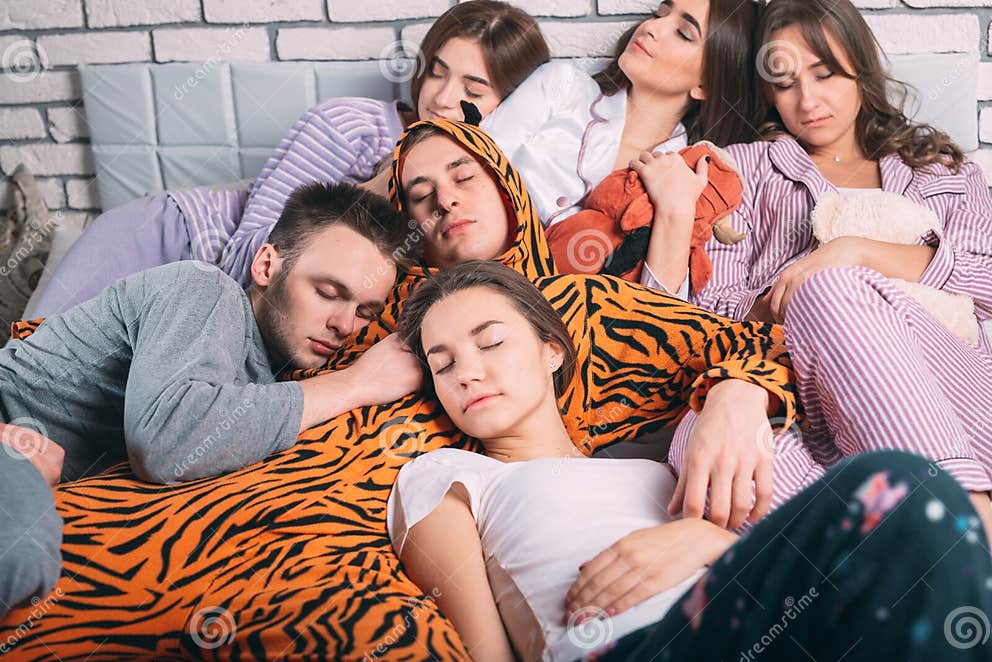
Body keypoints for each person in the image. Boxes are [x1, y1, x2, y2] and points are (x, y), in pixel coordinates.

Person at [0, 119, 797, 658]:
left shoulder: (575, 305)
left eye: (463, 173)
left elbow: (728, 341)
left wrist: (736, 396)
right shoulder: (323, 311)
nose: (444, 197)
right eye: (419, 194)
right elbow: (180, 425)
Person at [390, 260, 992, 662]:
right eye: (442, 364)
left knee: (906, 520)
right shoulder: (443, 474)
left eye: (490, 342)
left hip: (771, 625)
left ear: (553, 351)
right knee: (900, 486)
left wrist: (711, 541)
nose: (466, 370)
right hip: (640, 648)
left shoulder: (659, 461)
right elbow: (479, 649)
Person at [0, 182, 424, 619]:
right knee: (20, 562)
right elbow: (166, 444)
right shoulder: (205, 288)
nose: (344, 324)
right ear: (265, 265)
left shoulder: (271, 377)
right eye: (328, 293)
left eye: (365, 312)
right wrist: (356, 383)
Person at [651, 0, 992, 542]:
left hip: (942, 387)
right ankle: (914, 562)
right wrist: (746, 372)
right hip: (794, 396)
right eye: (784, 83)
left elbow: (985, 283)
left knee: (830, 288)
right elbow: (695, 322)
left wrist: (852, 253)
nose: (808, 100)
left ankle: (966, 522)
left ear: (859, 66)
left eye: (825, 73)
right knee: (700, 438)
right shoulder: (743, 169)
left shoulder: (942, 170)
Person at [26, 0, 550, 315]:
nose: (438, 97)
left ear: (510, 106)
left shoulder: (489, 190)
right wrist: (384, 181)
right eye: (436, 71)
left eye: (471, 88)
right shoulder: (353, 125)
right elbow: (249, 258)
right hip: (172, 240)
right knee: (30, 370)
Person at [481, 0, 762, 297]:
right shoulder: (562, 85)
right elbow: (473, 162)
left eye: (683, 33)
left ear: (704, 86)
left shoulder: (692, 179)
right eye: (660, 14)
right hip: (485, 280)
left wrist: (675, 210)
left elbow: (663, 310)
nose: (651, 27)